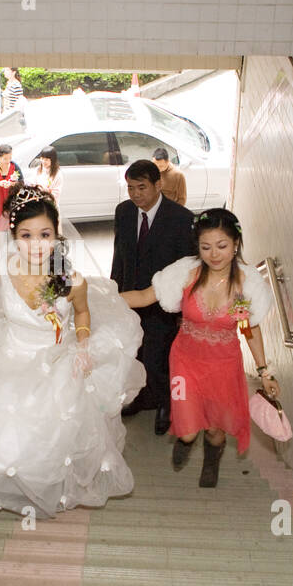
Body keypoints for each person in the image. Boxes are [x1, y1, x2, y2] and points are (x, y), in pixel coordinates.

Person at [0, 184, 144, 515]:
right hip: (7, 351)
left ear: (56, 233)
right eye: (26, 235)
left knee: (49, 430)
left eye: (44, 234)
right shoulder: (0, 267)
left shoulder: (71, 280)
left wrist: (82, 343)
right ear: (12, 234)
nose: (36, 245)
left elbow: (82, 312)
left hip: (53, 357)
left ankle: (44, 486)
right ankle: (6, 486)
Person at [121, 208, 280, 487]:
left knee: (216, 430)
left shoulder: (246, 285)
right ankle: (185, 441)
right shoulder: (185, 273)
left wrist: (264, 372)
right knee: (186, 429)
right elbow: (144, 297)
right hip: (186, 360)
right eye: (206, 247)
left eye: (222, 246)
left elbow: (249, 329)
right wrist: (97, 297)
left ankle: (212, 456)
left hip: (224, 364)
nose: (214, 254)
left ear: (235, 245)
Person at [110, 159, 195, 436]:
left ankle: (164, 404)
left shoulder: (180, 218)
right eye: (130, 188)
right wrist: (114, 292)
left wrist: (184, 310)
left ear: (158, 185)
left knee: (160, 353)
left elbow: (187, 266)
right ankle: (141, 397)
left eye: (141, 187)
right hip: (131, 296)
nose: (135, 194)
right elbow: (119, 256)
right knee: (136, 349)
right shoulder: (123, 212)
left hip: (163, 301)